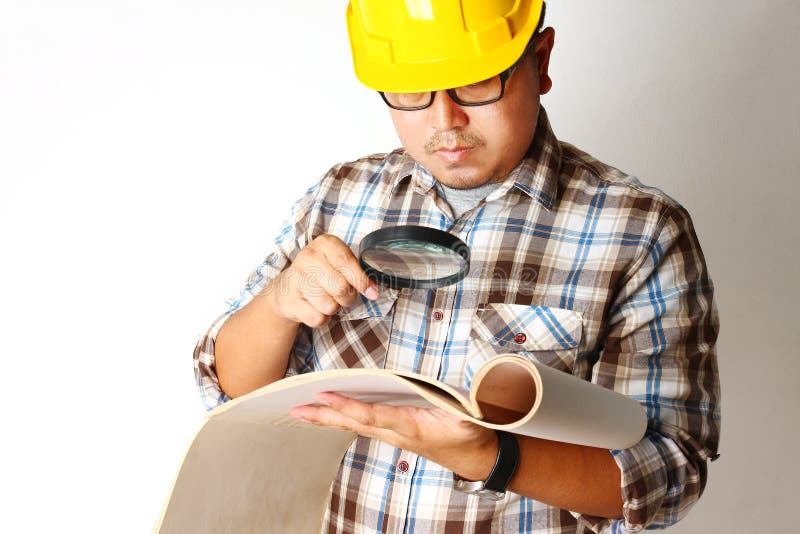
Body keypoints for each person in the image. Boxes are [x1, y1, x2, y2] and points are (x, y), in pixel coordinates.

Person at [193, 1, 720, 532]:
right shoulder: (339, 195)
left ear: (541, 58)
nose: (446, 121)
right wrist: (280, 303)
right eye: (412, 90)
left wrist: (489, 456)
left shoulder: (641, 229)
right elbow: (234, 392)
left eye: (475, 82)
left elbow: (671, 472)